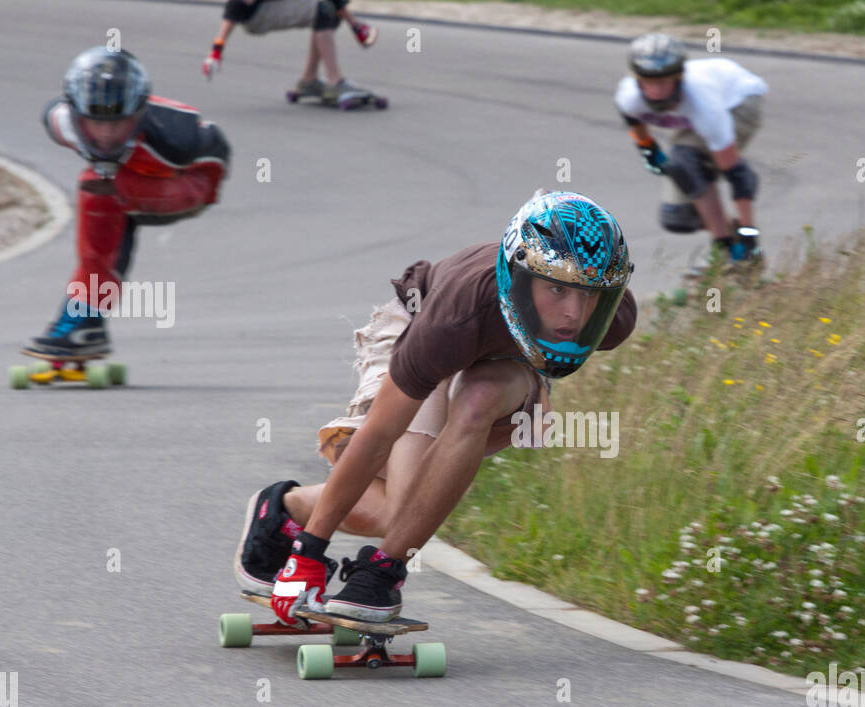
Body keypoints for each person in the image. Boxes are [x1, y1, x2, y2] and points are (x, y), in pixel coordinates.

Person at [233, 191, 638, 624]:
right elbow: (377, 437)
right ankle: (282, 509)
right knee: (398, 508)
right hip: (424, 322)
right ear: (520, 276)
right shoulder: (453, 320)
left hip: (502, 360)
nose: (573, 313)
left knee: (474, 407)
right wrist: (310, 552)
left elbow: (562, 327)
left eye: (590, 294)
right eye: (556, 288)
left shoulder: (612, 320)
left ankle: (382, 573)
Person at [30, 48, 229, 359]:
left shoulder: (174, 139)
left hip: (192, 181)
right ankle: (86, 325)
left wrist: (179, 188)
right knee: (109, 222)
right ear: (75, 116)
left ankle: (81, 320)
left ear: (138, 116)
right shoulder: (59, 122)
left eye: (118, 124)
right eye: (95, 123)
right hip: (129, 182)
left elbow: (216, 152)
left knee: (99, 187)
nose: (107, 135)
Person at [615, 33, 768, 266]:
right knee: (678, 217)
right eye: (648, 82)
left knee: (685, 163)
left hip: (739, 101)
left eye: (663, 82)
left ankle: (736, 249)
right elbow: (632, 120)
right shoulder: (629, 97)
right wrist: (648, 148)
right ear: (637, 79)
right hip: (693, 120)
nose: (655, 91)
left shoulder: (704, 104)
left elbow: (737, 175)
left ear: (678, 78)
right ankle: (732, 245)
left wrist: (750, 236)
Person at [203, 0, 376, 103]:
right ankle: (335, 81)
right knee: (323, 10)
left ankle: (310, 80)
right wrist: (216, 51)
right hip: (257, 16)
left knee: (327, 12)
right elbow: (235, 8)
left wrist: (353, 23)